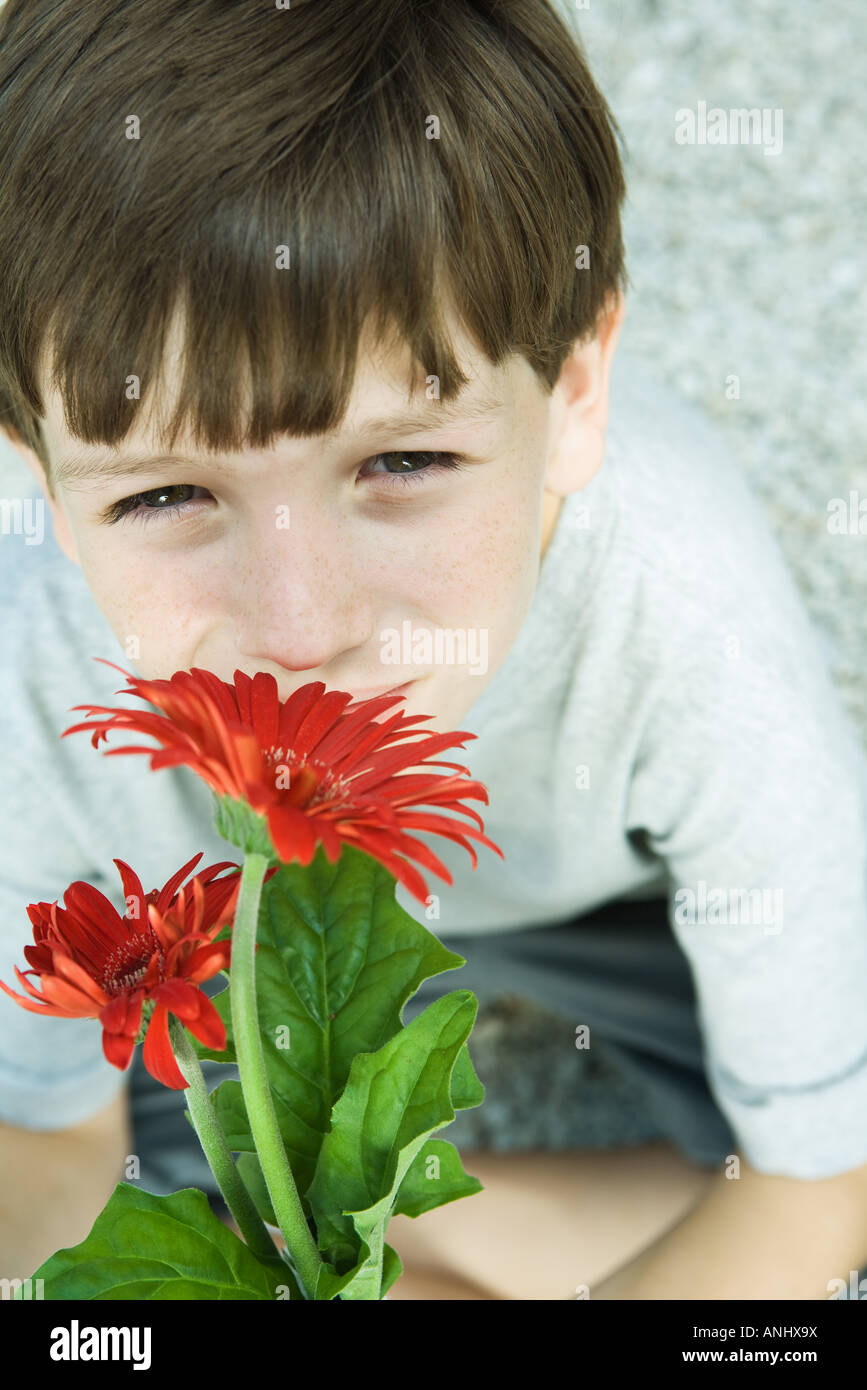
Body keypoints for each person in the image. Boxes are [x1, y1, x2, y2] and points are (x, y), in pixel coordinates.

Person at [1, 0, 866, 1300]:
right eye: (165, 497)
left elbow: (822, 1174)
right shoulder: (37, 655)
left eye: (404, 461)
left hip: (611, 929)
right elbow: (48, 1142)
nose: (301, 629)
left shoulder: (687, 620)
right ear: (40, 491)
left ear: (576, 397)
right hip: (219, 948)